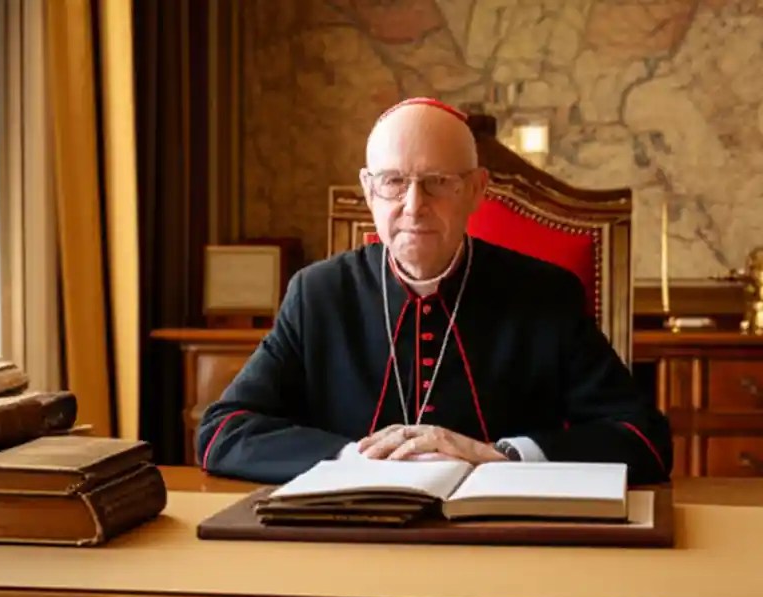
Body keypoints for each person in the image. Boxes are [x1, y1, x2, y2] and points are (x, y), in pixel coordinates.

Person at [196, 97, 672, 485]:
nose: (413, 205)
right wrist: (351, 458)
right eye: (393, 182)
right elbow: (223, 432)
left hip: (505, 543)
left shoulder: (545, 295)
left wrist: (500, 456)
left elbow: (643, 438)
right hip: (347, 543)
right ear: (368, 190)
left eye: (438, 183)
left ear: (477, 190)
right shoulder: (318, 294)